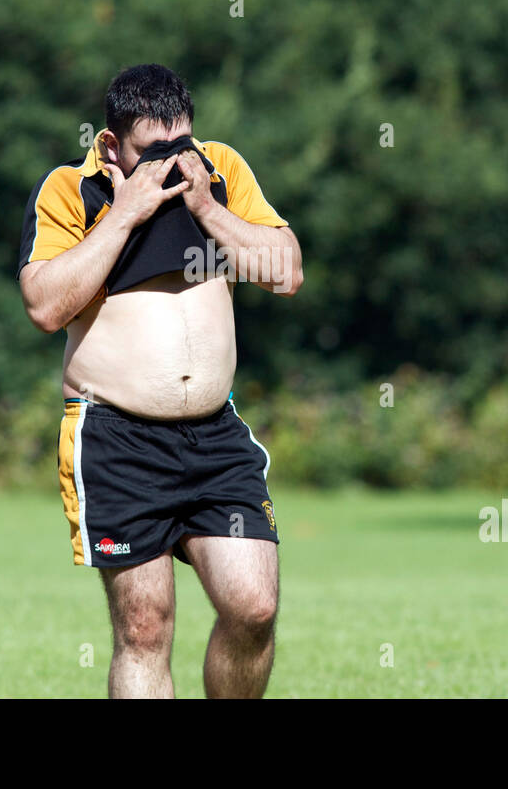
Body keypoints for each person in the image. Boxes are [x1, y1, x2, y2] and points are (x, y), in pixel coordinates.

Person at [17, 63, 303, 698]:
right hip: (117, 440)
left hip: (215, 437)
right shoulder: (73, 189)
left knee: (253, 608)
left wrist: (204, 206)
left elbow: (285, 271)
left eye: (183, 145)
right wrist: (125, 214)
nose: (175, 165)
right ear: (112, 145)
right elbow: (44, 306)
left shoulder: (218, 169)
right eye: (154, 153)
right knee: (145, 629)